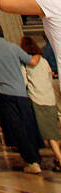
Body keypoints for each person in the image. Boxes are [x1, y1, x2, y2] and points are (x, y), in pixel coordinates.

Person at [0, 22, 43, 172]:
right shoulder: (14, 47)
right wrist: (38, 52)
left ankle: (31, 161)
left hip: (4, 93)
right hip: (21, 92)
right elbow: (33, 61)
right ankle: (36, 157)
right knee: (28, 124)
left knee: (16, 127)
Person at [20, 35, 61, 170]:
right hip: (50, 97)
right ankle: (57, 157)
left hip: (37, 98)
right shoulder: (43, 61)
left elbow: (25, 82)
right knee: (53, 130)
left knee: (48, 133)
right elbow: (50, 76)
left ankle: (59, 158)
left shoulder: (25, 63)